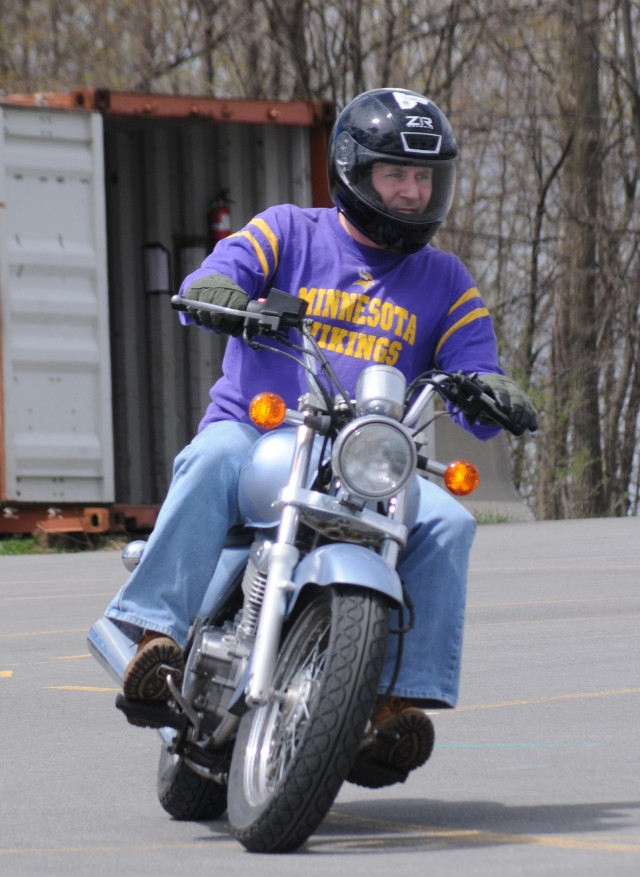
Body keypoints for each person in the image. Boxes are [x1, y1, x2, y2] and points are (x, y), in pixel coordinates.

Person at [102, 88, 537, 777]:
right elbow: (217, 274)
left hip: (364, 459)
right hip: (259, 436)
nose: (412, 192)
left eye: (424, 177)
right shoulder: (287, 231)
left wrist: (493, 394)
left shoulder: (446, 280)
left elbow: (475, 371)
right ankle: (152, 634)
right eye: (395, 174)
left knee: (449, 522)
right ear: (354, 171)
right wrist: (221, 294)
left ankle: (392, 700)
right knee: (211, 457)